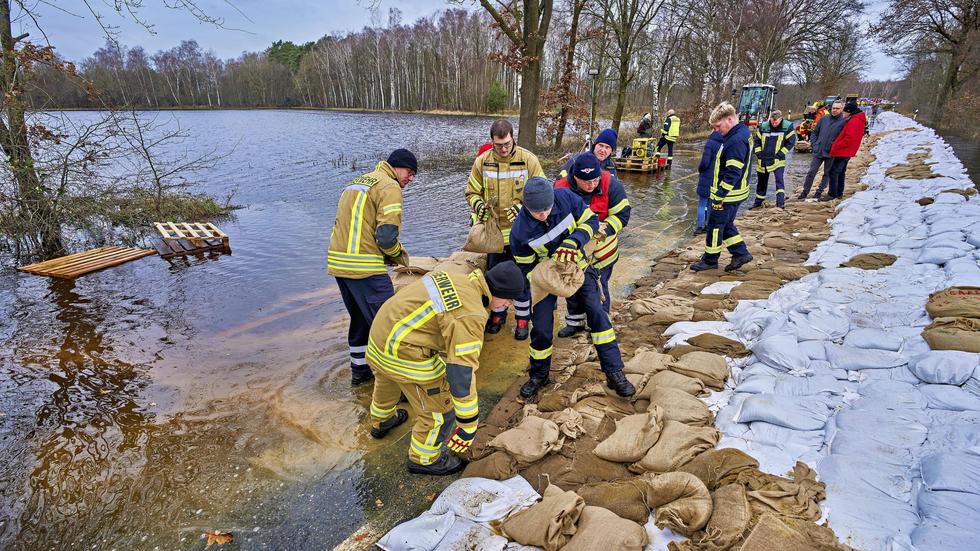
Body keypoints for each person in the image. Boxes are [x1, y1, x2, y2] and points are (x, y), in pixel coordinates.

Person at [366, 261, 526, 475]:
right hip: (402, 352)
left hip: (379, 340)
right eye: (508, 299)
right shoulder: (471, 314)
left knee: (388, 381)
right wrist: (468, 423)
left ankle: (382, 422)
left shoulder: (459, 278)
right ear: (497, 292)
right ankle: (424, 459)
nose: (508, 304)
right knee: (440, 411)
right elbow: (460, 373)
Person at [509, 177, 636, 400]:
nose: (544, 215)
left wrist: (573, 241)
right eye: (538, 212)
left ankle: (614, 372)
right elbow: (525, 268)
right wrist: (546, 278)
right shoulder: (519, 232)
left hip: (577, 266)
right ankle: (539, 375)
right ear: (527, 207)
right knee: (541, 327)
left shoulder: (565, 197)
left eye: (547, 209)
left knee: (597, 314)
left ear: (552, 200)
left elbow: (592, 221)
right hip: (545, 279)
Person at [327, 149, 417, 385]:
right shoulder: (390, 186)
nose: (411, 178)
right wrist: (396, 255)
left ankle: (360, 373)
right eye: (410, 172)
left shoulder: (358, 182)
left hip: (339, 265)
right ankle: (395, 385)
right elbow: (386, 237)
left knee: (359, 320)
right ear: (397, 167)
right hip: (365, 268)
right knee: (390, 325)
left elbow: (357, 227)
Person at [466, 119, 545, 340]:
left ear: (513, 139)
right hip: (495, 236)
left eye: (507, 144)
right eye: (498, 145)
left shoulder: (529, 160)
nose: (503, 149)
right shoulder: (482, 162)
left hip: (523, 235)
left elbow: (543, 193)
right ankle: (498, 315)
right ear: (492, 141)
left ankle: (522, 320)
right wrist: (479, 206)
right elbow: (471, 192)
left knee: (522, 278)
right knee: (495, 279)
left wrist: (524, 208)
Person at [554, 152, 631, 338]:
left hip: (603, 251)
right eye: (586, 182)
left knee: (598, 287)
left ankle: (600, 323)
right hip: (574, 249)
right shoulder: (559, 187)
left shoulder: (610, 183)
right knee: (571, 284)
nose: (591, 185)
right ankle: (575, 323)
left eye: (595, 180)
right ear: (575, 177)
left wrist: (605, 229)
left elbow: (623, 214)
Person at [690, 102, 754, 273]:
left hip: (729, 194)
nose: (717, 130)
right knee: (726, 224)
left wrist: (720, 194)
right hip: (737, 192)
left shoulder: (735, 140)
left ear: (730, 119)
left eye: (718, 126)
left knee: (715, 226)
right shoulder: (741, 133)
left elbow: (733, 172)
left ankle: (710, 260)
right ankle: (740, 253)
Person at [798, 100, 846, 200]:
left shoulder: (844, 122)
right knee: (811, 172)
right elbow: (814, 132)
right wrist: (814, 144)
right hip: (818, 150)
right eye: (833, 108)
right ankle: (804, 192)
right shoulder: (824, 118)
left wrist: (835, 148)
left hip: (832, 153)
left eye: (837, 108)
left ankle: (819, 192)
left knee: (827, 174)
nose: (834, 110)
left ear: (842, 109)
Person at [750, 110, 796, 209]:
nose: (774, 124)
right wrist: (758, 153)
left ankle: (780, 204)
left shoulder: (787, 127)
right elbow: (757, 141)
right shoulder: (764, 126)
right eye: (772, 121)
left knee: (779, 181)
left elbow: (791, 142)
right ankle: (758, 203)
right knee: (761, 182)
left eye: (776, 122)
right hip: (763, 159)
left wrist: (780, 154)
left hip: (777, 160)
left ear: (781, 119)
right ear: (770, 118)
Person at [823, 102, 867, 201]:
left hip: (843, 151)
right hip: (846, 151)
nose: (843, 114)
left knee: (834, 172)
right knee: (840, 172)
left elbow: (849, 138)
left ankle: (832, 194)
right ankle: (838, 193)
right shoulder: (856, 119)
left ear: (849, 112)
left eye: (844, 112)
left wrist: (836, 145)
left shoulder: (854, 121)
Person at [695, 130, 724, 235]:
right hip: (717, 179)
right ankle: (708, 226)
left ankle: (699, 227)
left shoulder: (710, 143)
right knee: (711, 204)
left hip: (706, 176)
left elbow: (705, 162)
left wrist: (700, 169)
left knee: (702, 204)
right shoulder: (725, 143)